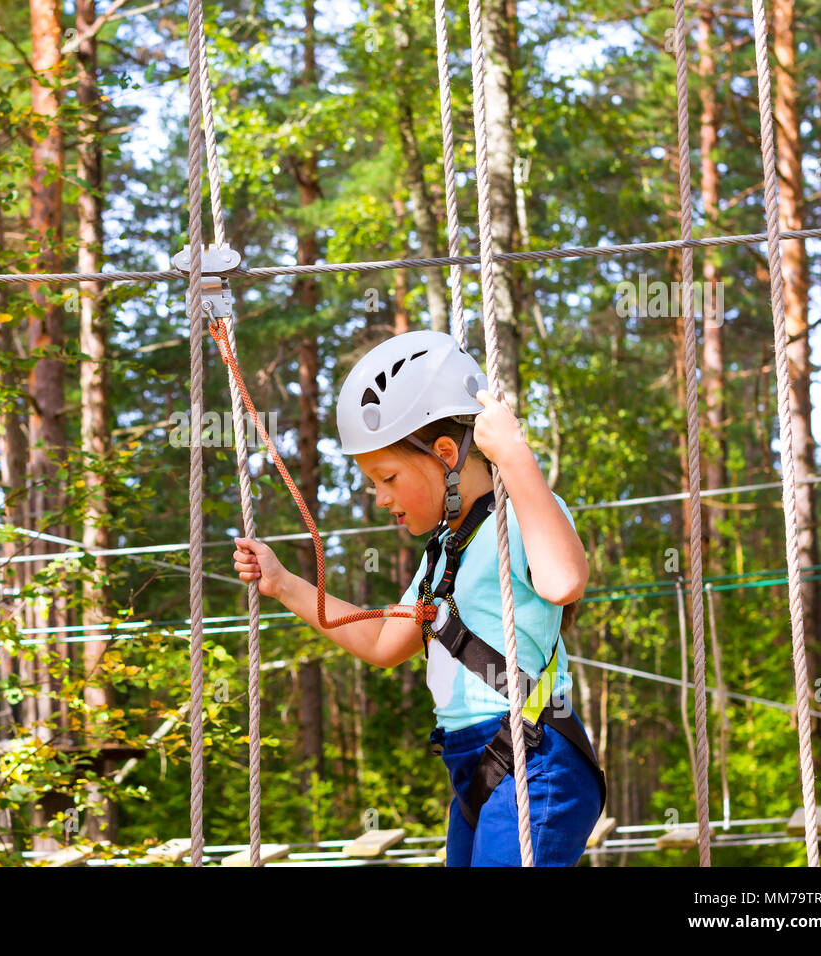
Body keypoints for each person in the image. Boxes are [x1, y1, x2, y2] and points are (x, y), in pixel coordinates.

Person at [233, 329, 605, 866]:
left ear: (446, 455)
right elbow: (384, 642)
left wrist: (515, 457)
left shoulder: (519, 516)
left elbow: (564, 581)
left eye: (387, 477)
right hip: (479, 767)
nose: (381, 498)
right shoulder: (443, 555)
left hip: (536, 759)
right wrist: (285, 583)